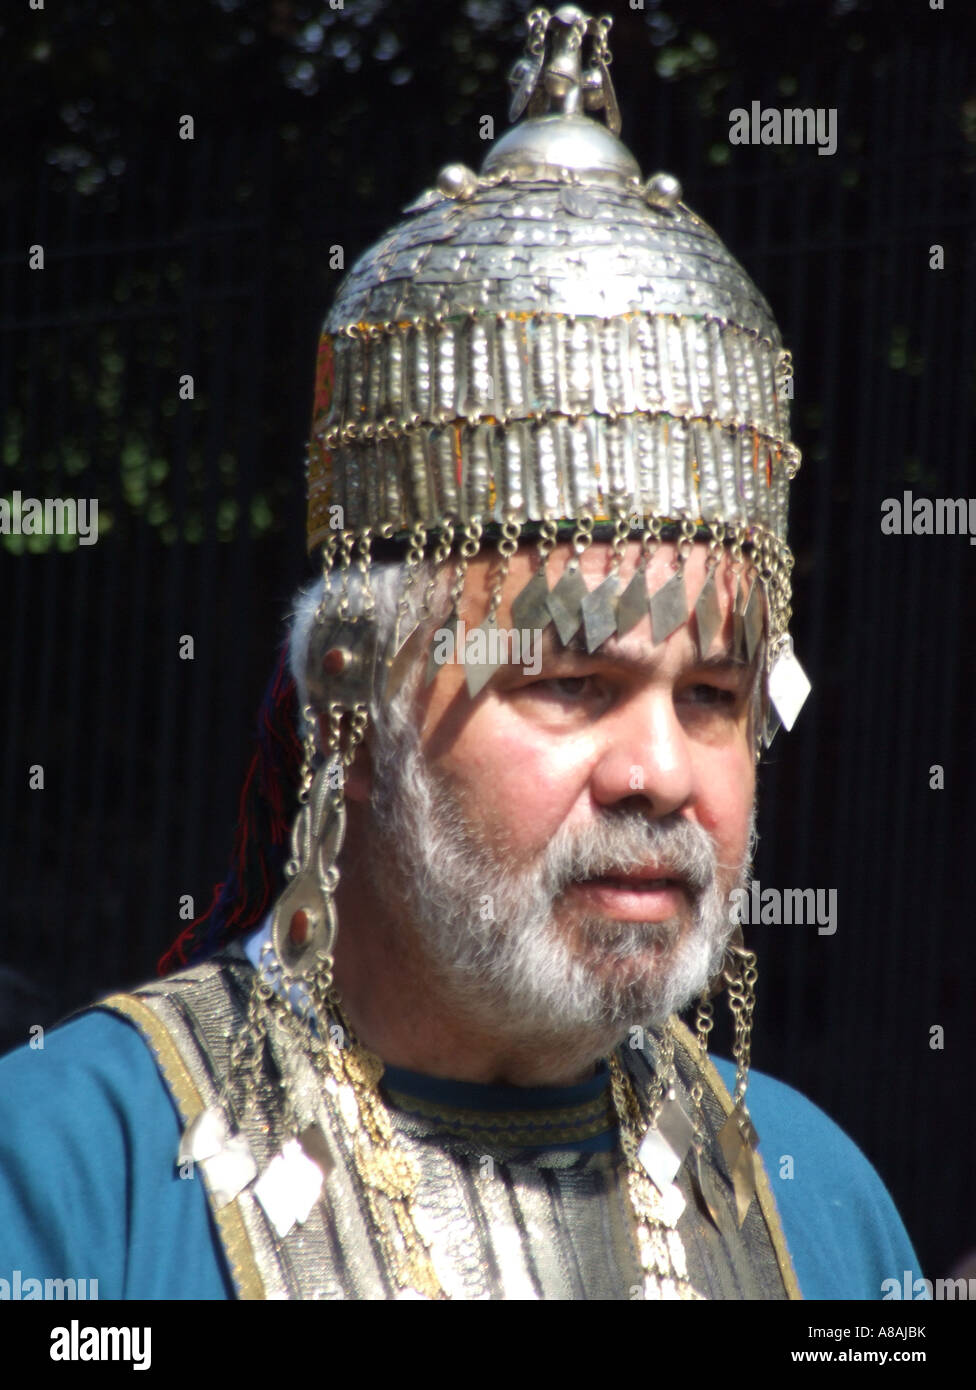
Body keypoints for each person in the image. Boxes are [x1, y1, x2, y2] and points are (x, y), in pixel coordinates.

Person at [0, 5, 923, 1301]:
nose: (661, 771)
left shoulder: (821, 1199)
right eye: (571, 685)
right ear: (351, 711)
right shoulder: (66, 1177)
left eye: (714, 696)